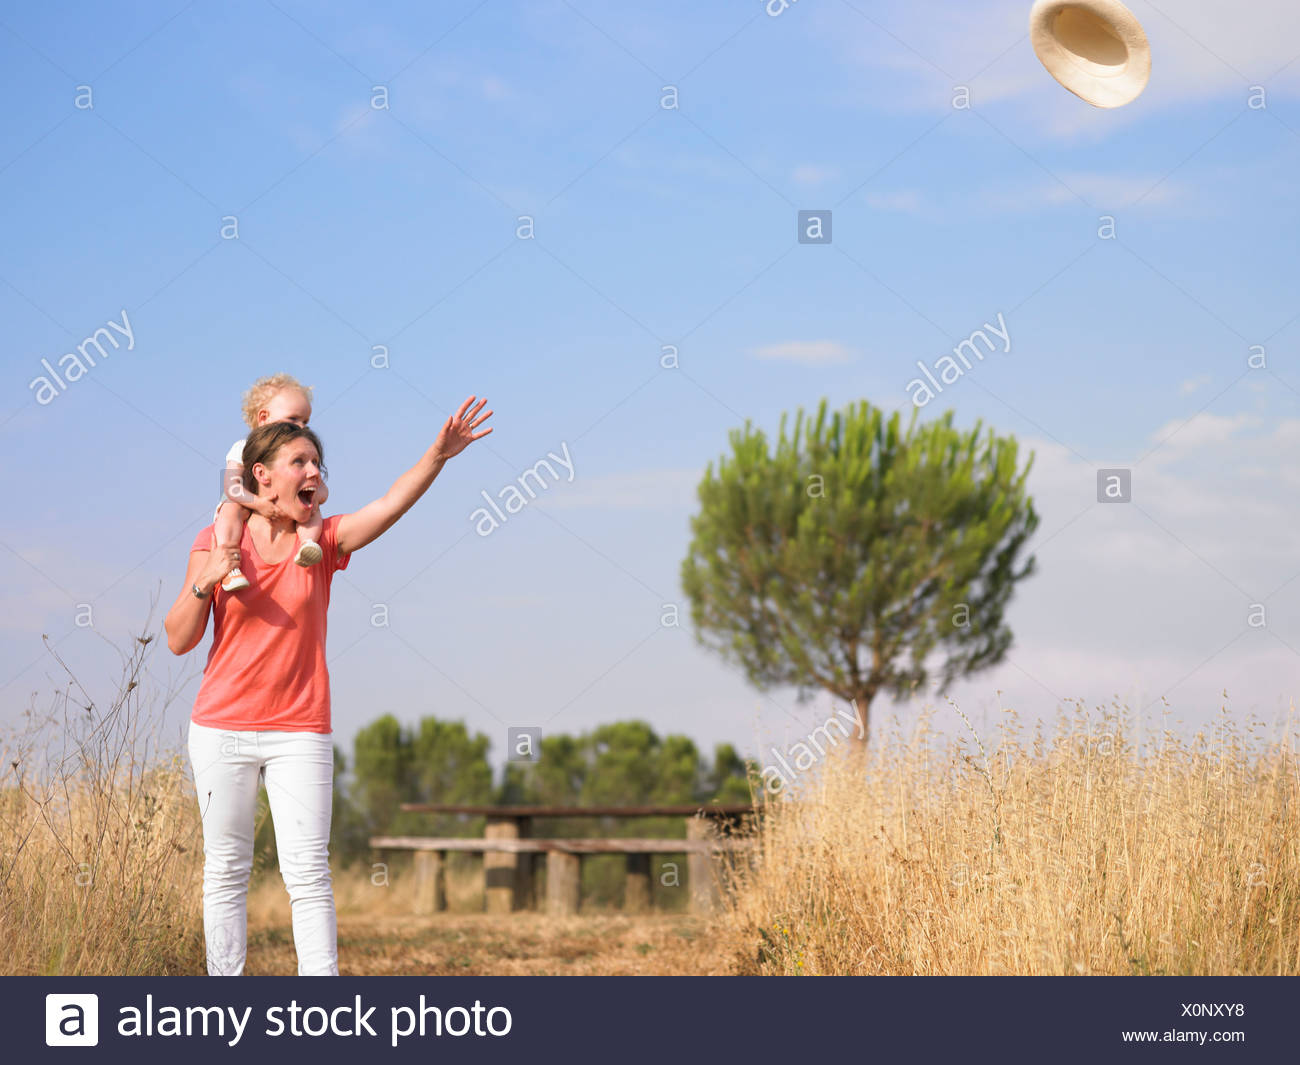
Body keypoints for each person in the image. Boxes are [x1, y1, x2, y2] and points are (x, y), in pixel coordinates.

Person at [164, 395, 493, 975]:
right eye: (300, 462)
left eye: (317, 463)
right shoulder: (216, 543)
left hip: (300, 729)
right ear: (260, 477)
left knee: (309, 872)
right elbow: (177, 639)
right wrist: (205, 582)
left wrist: (437, 457)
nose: (314, 473)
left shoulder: (323, 543)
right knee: (226, 871)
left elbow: (389, 506)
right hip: (221, 730)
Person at [216, 374, 328, 592]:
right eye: (294, 419)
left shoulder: (301, 452)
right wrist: (257, 503)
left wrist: (314, 499)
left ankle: (307, 545)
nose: (302, 427)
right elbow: (231, 487)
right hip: (246, 501)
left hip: (283, 507)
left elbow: (322, 490)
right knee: (230, 509)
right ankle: (228, 564)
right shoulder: (242, 447)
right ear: (264, 418)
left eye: (305, 422)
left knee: (312, 512)